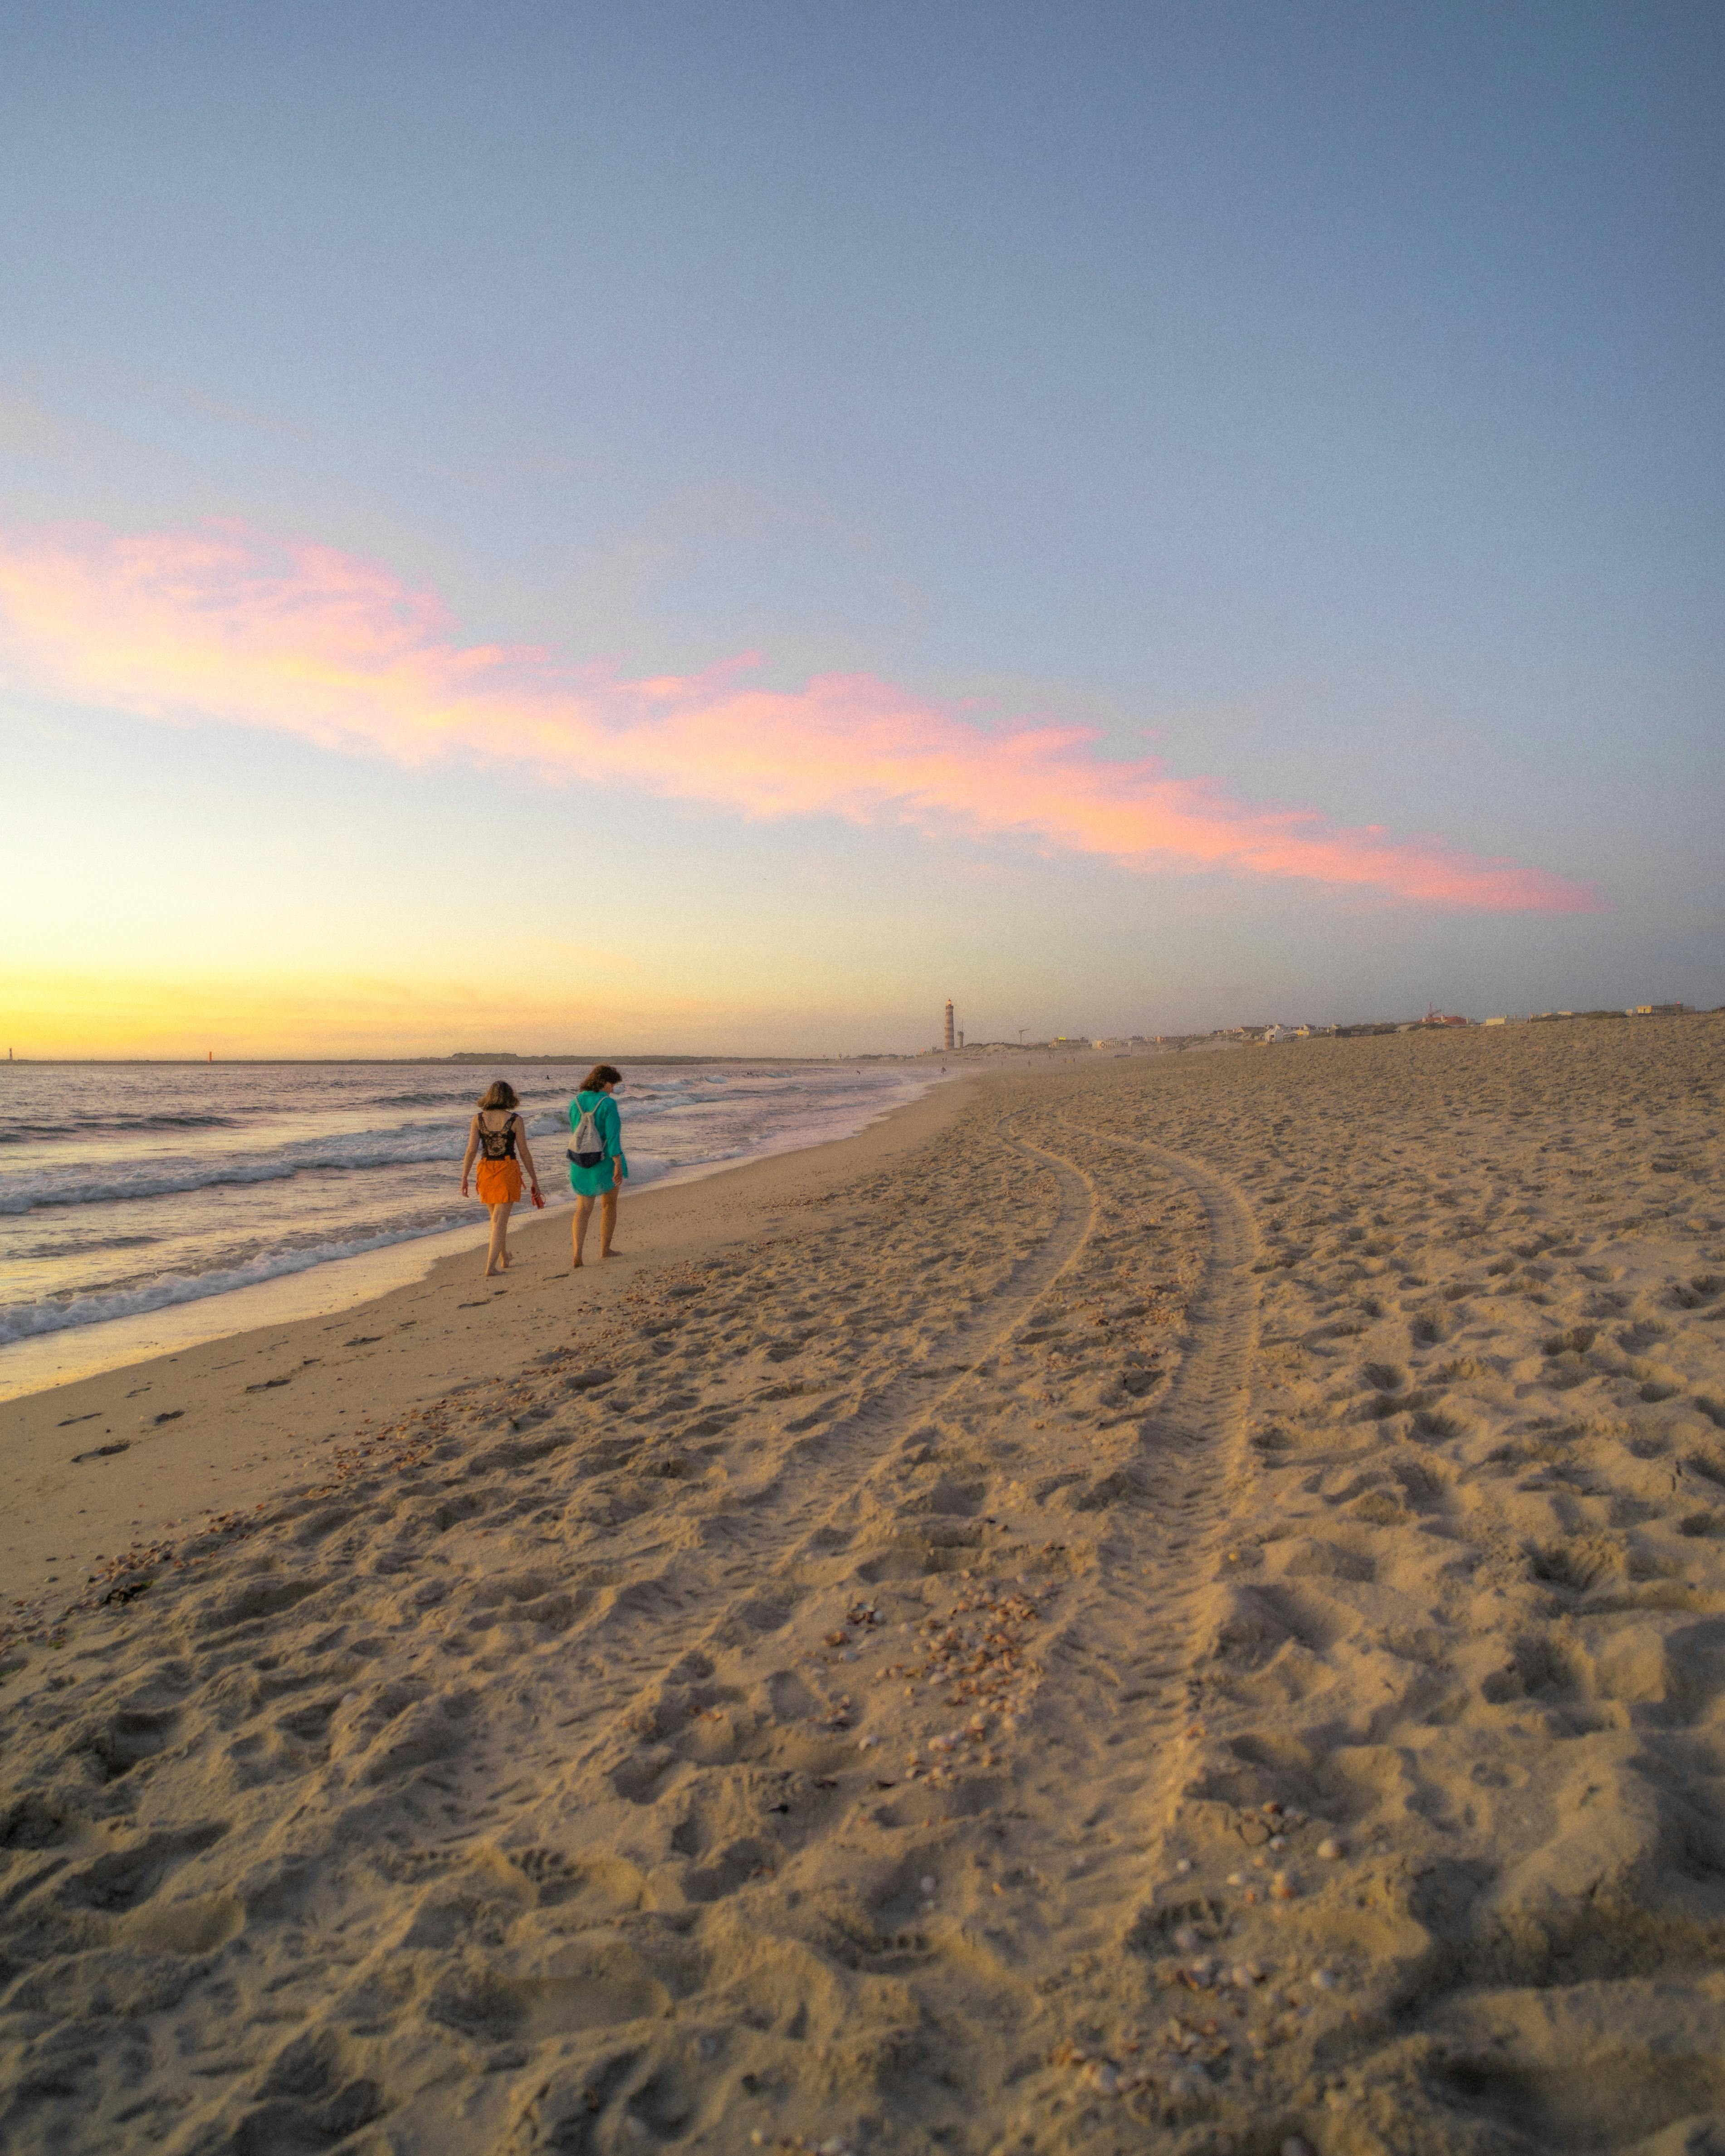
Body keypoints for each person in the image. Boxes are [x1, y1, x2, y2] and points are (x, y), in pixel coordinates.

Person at [459, 1080, 541, 1278]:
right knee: (499, 1221)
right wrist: (534, 1180)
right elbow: (524, 1152)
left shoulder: (478, 1119)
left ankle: (504, 1258)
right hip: (507, 1169)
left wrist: (465, 1177)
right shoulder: (515, 1120)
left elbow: (471, 1151)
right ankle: (490, 1267)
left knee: (496, 1220)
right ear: (509, 1097)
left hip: (486, 1170)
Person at [568, 1063, 627, 1267]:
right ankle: (605, 1250)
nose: (613, 1089)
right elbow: (613, 1138)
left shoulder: (575, 1102)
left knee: (582, 1210)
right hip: (605, 1161)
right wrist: (618, 1163)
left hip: (581, 1161)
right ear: (603, 1082)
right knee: (609, 1205)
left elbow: (576, 1133)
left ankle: (578, 1254)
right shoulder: (608, 1104)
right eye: (612, 1084)